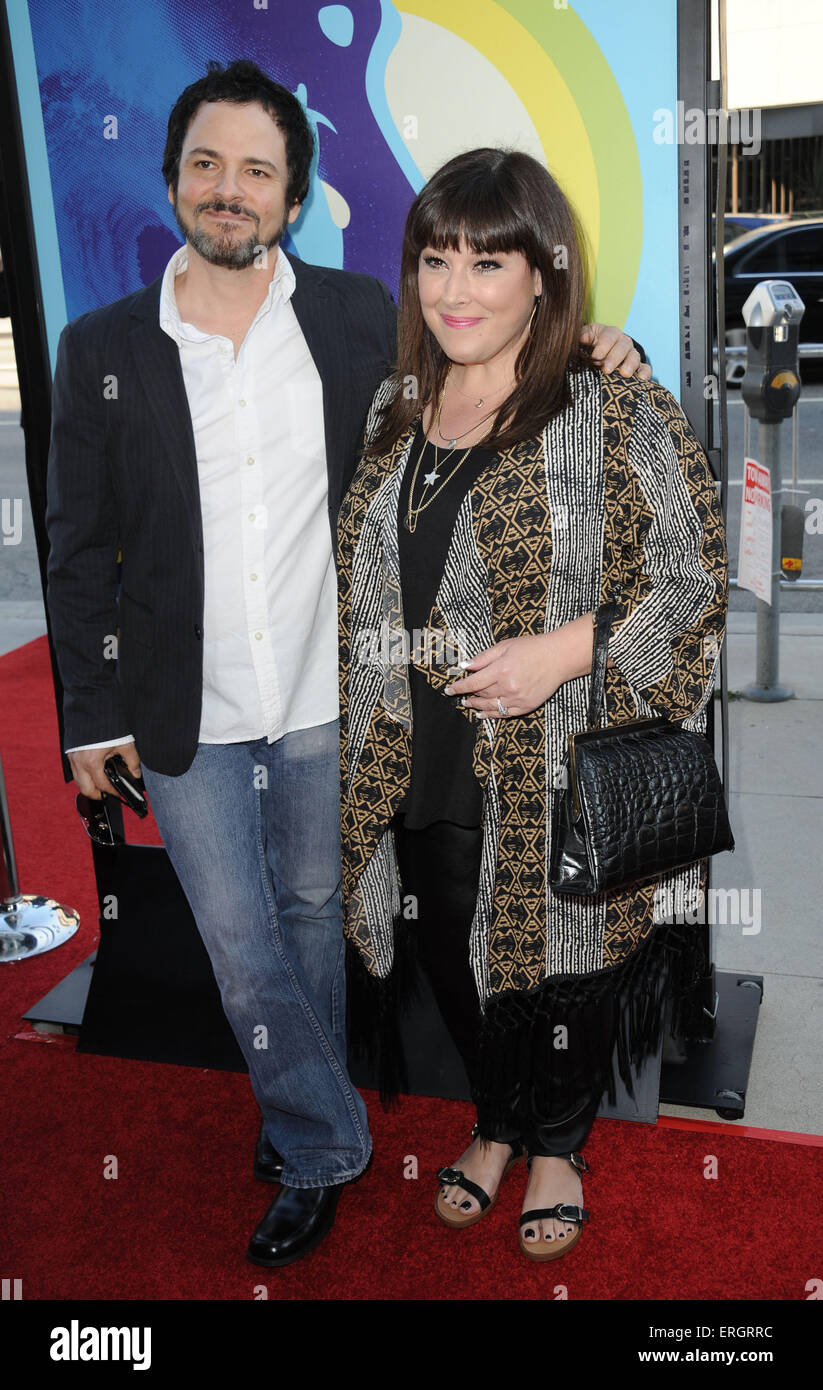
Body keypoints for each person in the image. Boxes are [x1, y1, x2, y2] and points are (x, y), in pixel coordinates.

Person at [45, 56, 646, 1269]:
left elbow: (477, 356)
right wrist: (88, 710)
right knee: (238, 937)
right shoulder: (99, 346)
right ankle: (323, 1137)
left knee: (321, 914)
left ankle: (310, 1127)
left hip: (335, 696)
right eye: (206, 164)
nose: (229, 189)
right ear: (171, 180)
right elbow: (76, 544)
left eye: (256, 170)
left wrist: (590, 344)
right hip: (185, 709)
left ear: (293, 195)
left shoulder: (353, 315)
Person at [337, 148, 727, 1262]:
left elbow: (697, 574)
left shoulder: (606, 405)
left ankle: (557, 1141)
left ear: (542, 277)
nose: (455, 288)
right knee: (461, 962)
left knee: (561, 961)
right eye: (433, 257)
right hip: (413, 753)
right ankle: (495, 1120)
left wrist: (565, 650)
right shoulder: (393, 403)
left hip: (556, 757)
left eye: (487, 261)